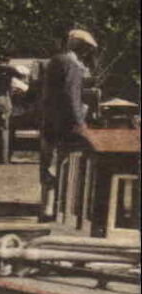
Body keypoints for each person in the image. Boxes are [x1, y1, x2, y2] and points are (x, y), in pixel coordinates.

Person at [39, 28, 98, 219]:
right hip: (65, 123)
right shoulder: (72, 64)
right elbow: (71, 96)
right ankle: (61, 207)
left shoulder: (55, 61)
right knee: (63, 162)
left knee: (49, 160)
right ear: (82, 48)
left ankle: (46, 207)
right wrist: (80, 122)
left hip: (49, 119)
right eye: (87, 50)